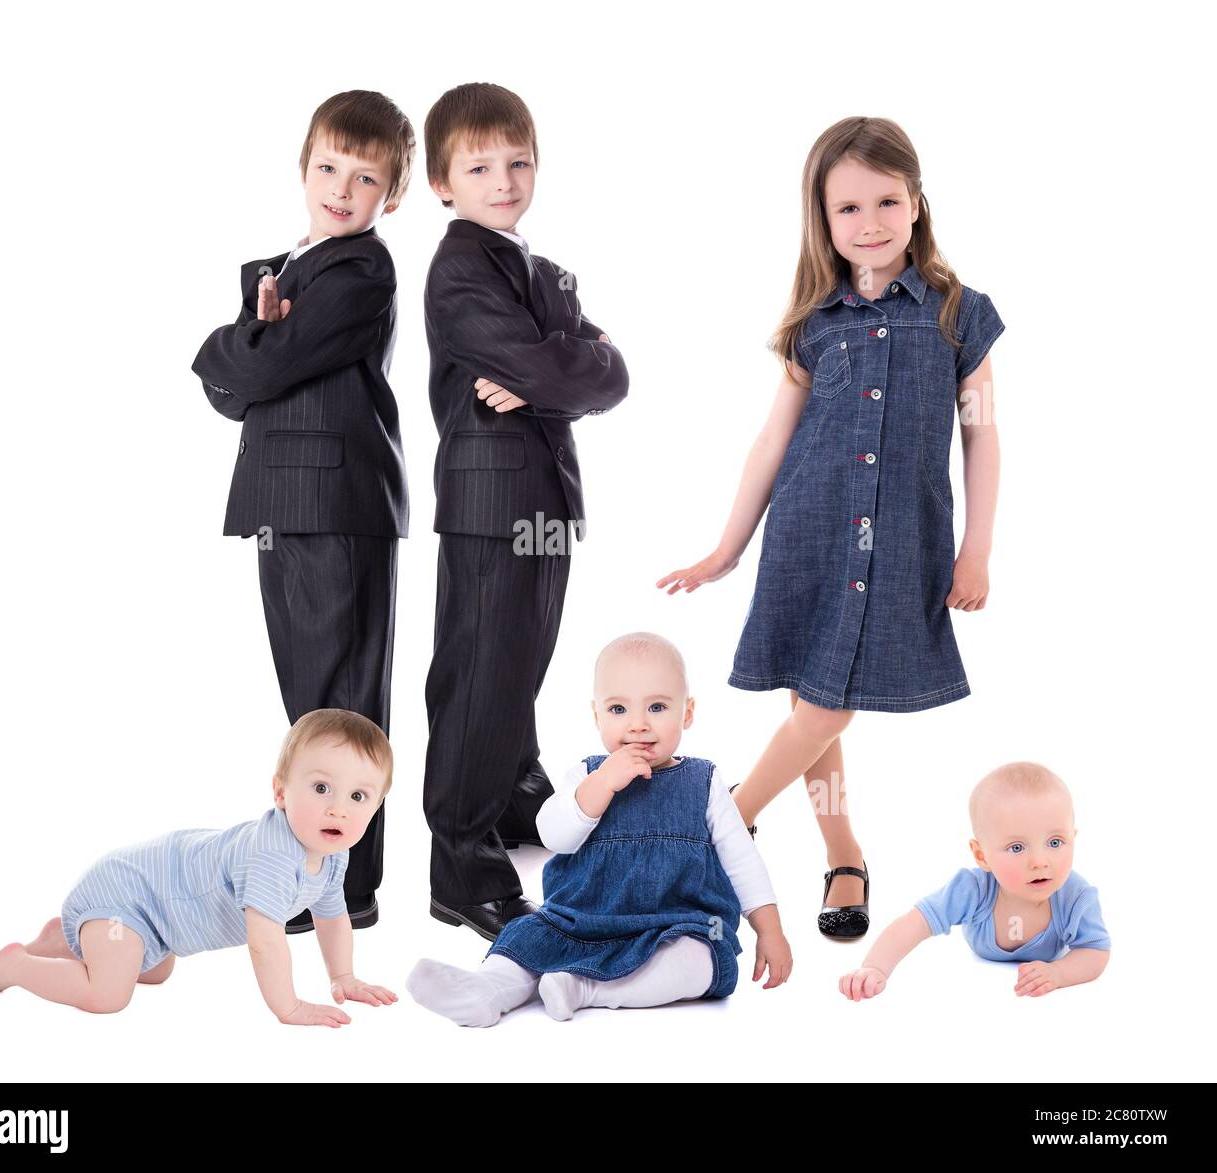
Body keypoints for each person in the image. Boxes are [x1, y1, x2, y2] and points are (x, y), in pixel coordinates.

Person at [658, 116, 1005, 940]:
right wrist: (726, 549)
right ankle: (843, 852)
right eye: (848, 208)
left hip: (902, 550)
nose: (871, 222)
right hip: (808, 536)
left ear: (917, 204)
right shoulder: (814, 322)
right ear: (822, 218)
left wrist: (978, 547)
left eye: (888, 201)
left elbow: (982, 434)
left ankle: (723, 819)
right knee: (817, 706)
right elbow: (773, 439)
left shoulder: (962, 315)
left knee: (823, 709)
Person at [190, 90, 416, 933]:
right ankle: (315, 868)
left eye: (365, 178)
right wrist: (249, 356)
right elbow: (237, 397)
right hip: (285, 496)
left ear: (390, 195)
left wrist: (228, 343)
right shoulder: (293, 270)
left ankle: (346, 885)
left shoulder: (360, 269)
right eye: (328, 167)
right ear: (303, 167)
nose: (341, 188)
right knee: (310, 699)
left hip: (335, 499)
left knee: (343, 699)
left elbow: (252, 368)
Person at [419, 82, 629, 941]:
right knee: (480, 672)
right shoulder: (462, 266)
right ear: (443, 182)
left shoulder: (539, 269)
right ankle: (459, 856)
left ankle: (512, 794)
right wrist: (558, 368)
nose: (503, 180)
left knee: (521, 660)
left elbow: (611, 373)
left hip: (544, 494)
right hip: (491, 499)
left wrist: (552, 375)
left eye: (518, 162)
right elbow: (557, 363)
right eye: (479, 166)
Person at [407, 633, 791, 1026]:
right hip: (579, 920)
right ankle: (485, 991)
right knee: (526, 936)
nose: (638, 725)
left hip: (678, 924)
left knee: (701, 960)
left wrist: (769, 931)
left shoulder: (705, 783)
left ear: (687, 713)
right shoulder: (587, 775)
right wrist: (602, 785)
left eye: (657, 707)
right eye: (619, 708)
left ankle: (586, 989)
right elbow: (553, 834)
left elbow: (742, 860)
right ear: (597, 716)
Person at [0, 710, 398, 1026]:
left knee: (154, 972)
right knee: (108, 994)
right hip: (126, 897)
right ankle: (17, 966)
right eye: (321, 788)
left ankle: (62, 937)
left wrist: (344, 976)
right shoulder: (273, 856)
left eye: (358, 797)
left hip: (158, 925)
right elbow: (265, 943)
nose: (338, 810)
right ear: (280, 791)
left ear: (377, 807)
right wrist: (289, 1007)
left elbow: (332, 916)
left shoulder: (332, 852)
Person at [838, 762, 1111, 999]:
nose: (1040, 861)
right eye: (1017, 847)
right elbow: (915, 923)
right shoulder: (974, 890)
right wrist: (875, 967)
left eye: (1055, 842)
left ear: (1073, 838)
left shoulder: (1077, 897)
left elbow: (1095, 951)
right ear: (982, 856)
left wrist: (1059, 973)